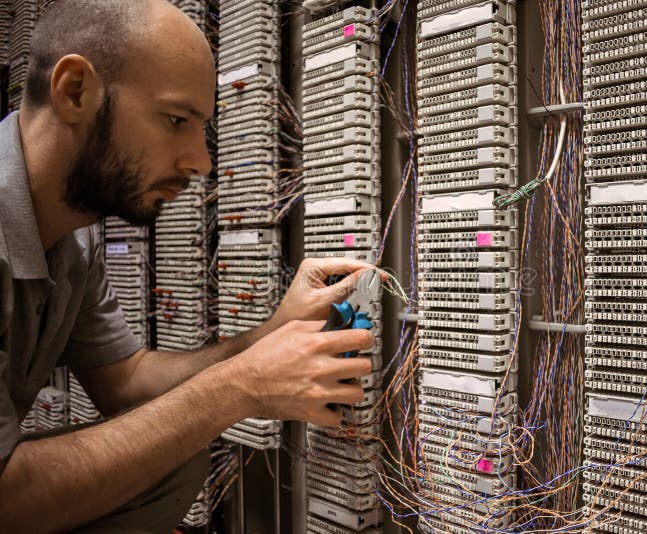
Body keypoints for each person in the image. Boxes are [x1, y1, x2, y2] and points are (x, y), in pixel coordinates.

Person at [0, 0, 375, 531]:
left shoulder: (74, 237)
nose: (201, 162)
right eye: (176, 119)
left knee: (174, 454)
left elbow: (124, 382)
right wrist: (238, 387)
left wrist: (271, 334)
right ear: (75, 91)